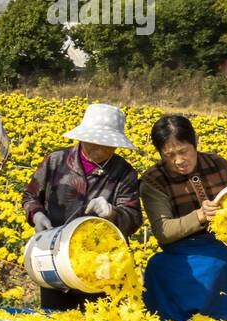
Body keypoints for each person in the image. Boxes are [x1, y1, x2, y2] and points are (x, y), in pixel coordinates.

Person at [139, 114, 227, 321]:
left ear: (195, 143)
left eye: (183, 151)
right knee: (158, 270)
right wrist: (200, 216)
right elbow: (163, 231)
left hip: (225, 250)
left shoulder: (218, 164)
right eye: (169, 155)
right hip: (181, 256)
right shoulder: (153, 181)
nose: (178, 160)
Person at [22, 102, 143, 310]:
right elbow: (30, 195)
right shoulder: (56, 161)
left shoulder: (124, 173)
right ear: (82, 137)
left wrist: (112, 213)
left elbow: (133, 218)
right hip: (55, 257)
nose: (101, 149)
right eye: (95, 142)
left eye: (108, 144)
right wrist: (37, 215)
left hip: (100, 266)